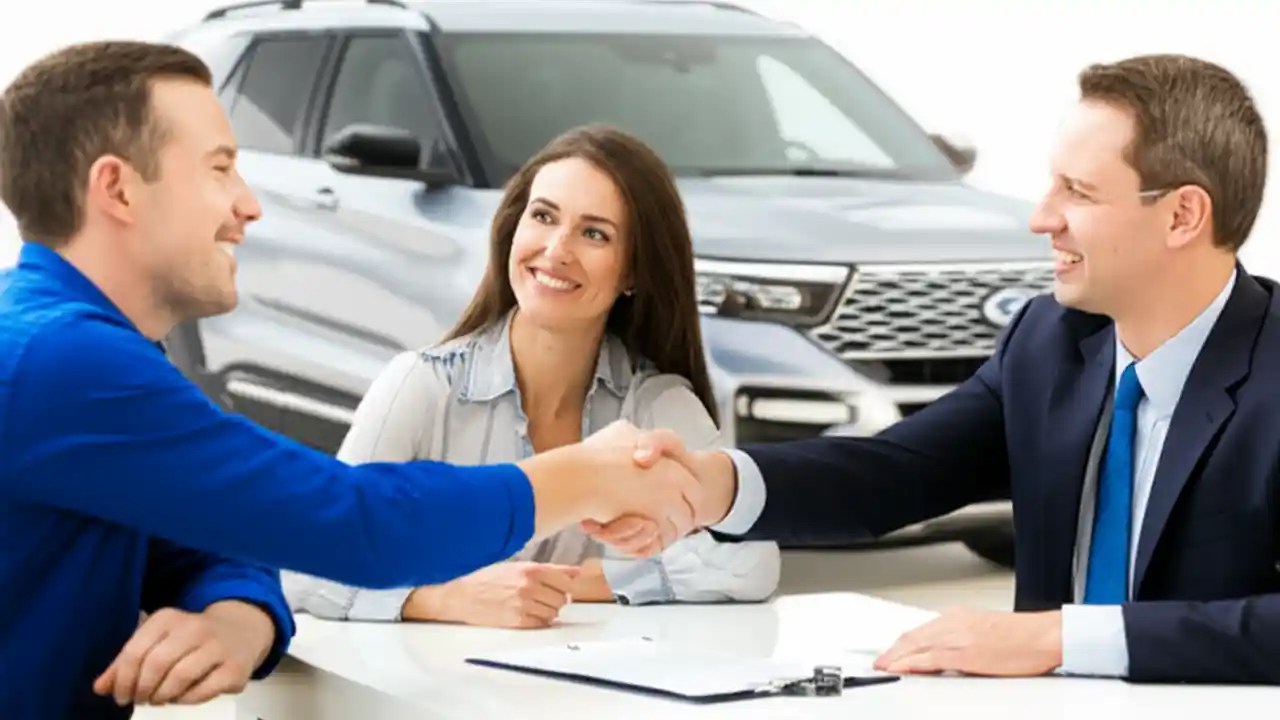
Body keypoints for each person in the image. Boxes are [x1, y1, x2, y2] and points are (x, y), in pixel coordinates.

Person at [0, 42, 699, 719]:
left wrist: (240, 616)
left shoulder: (68, 349)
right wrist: (586, 475)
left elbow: (218, 539)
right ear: (118, 189)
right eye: (220, 169)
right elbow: (356, 522)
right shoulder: (64, 364)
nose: (249, 205)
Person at [598, 53, 1280, 685]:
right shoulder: (1050, 342)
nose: (1041, 218)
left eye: (1078, 192)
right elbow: (896, 473)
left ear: (1182, 215)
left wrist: (1061, 639)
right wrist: (708, 486)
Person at [283, 126, 780, 627]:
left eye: (594, 234)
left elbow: (752, 560)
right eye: (543, 216)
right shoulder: (422, 386)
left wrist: (575, 583)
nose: (557, 249)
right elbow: (308, 565)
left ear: (633, 272)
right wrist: (445, 598)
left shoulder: (655, 404)